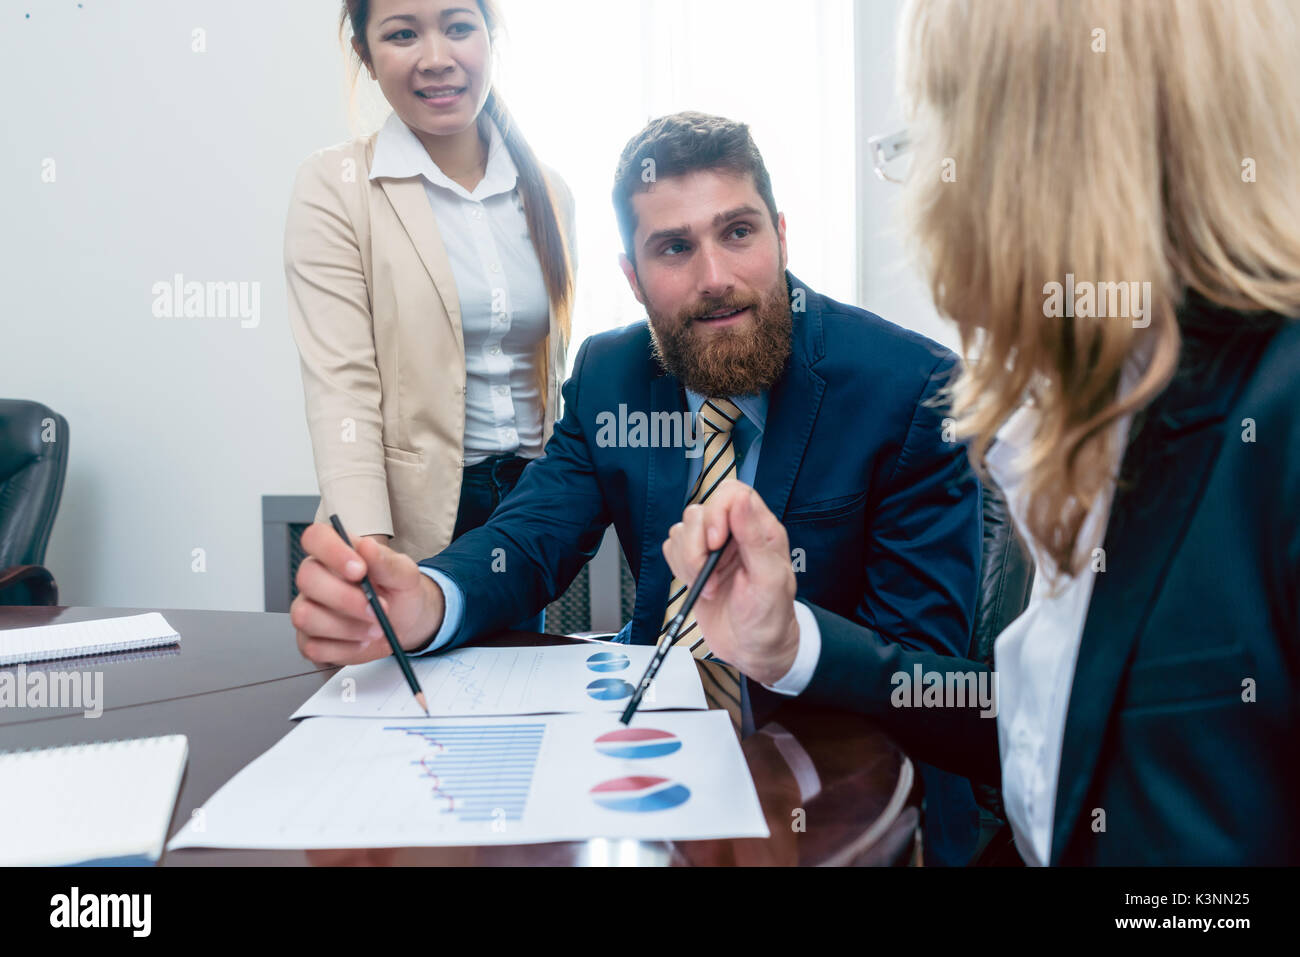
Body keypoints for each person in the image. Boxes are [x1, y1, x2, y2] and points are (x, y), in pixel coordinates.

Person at [664, 0, 1300, 864]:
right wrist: (790, 641)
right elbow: (1053, 726)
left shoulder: (1279, 418)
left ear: (1037, 152)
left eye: (933, 130)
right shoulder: (1121, 393)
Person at [290, 111, 987, 863]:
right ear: (632, 274)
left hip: (846, 802)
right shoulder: (610, 374)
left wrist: (790, 643)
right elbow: (529, 538)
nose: (715, 277)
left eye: (739, 232)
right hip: (653, 780)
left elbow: (931, 680)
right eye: (675, 247)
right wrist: (429, 600)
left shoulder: (908, 389)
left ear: (781, 234)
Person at [285, 0, 576, 571]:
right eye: (402, 35)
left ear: (490, 36)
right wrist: (364, 545)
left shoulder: (549, 191)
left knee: (518, 663)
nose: (437, 59)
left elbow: (552, 374)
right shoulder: (335, 187)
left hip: (528, 507)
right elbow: (341, 386)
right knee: (408, 662)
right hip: (408, 518)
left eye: (459, 27)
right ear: (365, 56)